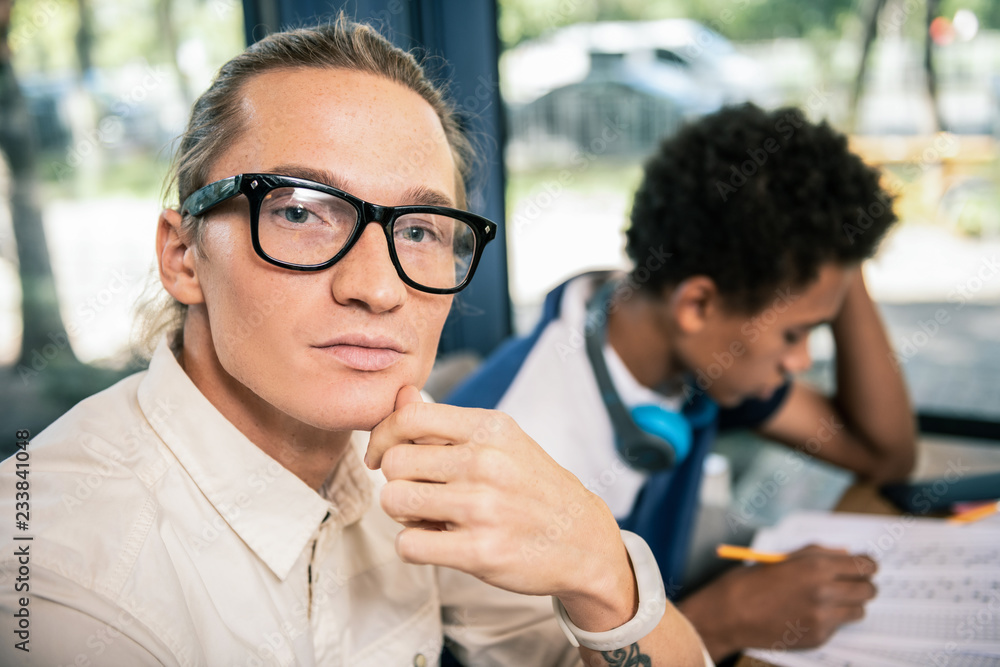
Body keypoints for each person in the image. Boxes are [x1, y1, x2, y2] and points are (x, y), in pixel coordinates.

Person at [0, 19, 712, 667]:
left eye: (418, 231)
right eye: (301, 211)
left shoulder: (400, 464)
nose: (378, 287)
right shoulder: (58, 574)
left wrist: (598, 563)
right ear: (184, 255)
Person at [447, 103, 916, 664]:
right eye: (796, 333)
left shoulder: (694, 356)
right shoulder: (516, 441)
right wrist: (727, 617)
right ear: (696, 304)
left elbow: (884, 452)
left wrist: (839, 251)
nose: (800, 361)